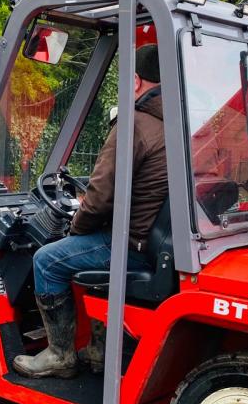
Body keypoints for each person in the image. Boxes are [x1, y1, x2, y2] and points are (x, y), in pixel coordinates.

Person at [13, 44, 168, 379]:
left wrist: (75, 226)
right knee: (81, 258)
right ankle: (97, 351)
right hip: (153, 243)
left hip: (129, 244)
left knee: (46, 260)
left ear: (137, 81)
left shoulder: (133, 125)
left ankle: (59, 355)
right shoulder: (177, 125)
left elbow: (98, 198)